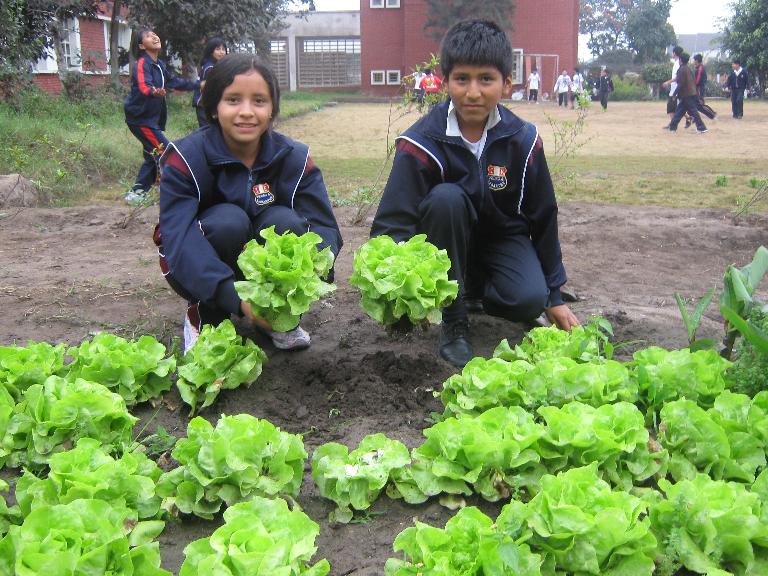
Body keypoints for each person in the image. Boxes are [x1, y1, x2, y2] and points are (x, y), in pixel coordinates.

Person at [370, 19, 579, 368]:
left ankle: (473, 289)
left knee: (529, 300)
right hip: (442, 242)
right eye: (462, 79)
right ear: (446, 81)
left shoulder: (524, 140)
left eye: (486, 79)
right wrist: (403, 296)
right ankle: (454, 321)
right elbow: (393, 223)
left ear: (506, 83)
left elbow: (543, 215)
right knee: (446, 199)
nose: (473, 92)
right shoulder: (420, 141)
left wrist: (553, 294)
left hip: (502, 238)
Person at [155, 53, 343, 353]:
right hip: (194, 265)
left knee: (287, 224)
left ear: (272, 110)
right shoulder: (185, 159)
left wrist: (312, 273)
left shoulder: (294, 158)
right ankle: (207, 316)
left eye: (259, 100)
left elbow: (323, 227)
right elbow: (178, 238)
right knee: (228, 222)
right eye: (233, 100)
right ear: (214, 108)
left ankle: (280, 318)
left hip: (266, 277)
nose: (246, 112)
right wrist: (234, 297)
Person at [123, 28, 199, 205]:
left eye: (155, 34)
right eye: (148, 36)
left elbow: (174, 82)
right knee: (164, 152)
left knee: (152, 156)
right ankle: (165, 191)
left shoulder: (159, 65)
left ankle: (136, 193)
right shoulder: (142, 63)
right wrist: (153, 91)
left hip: (151, 121)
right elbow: (143, 86)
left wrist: (198, 85)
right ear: (142, 46)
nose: (154, 36)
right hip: (140, 119)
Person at [663, 52, 707, 133]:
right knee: (679, 111)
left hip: (687, 94)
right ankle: (672, 128)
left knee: (693, 111)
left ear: (680, 60)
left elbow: (680, 84)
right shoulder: (688, 68)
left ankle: (702, 128)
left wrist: (674, 94)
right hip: (690, 93)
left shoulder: (681, 69)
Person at [193, 37, 227, 127]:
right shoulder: (210, 68)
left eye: (223, 49)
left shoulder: (213, 66)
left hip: (208, 105)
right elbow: (211, 88)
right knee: (208, 131)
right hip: (204, 105)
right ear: (211, 51)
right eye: (218, 49)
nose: (221, 52)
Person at [661, 46, 683, 124]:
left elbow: (677, 77)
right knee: (676, 107)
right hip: (674, 89)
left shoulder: (677, 64)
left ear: (674, 53)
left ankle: (673, 124)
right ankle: (674, 123)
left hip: (675, 89)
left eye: (672, 52)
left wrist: (667, 82)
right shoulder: (677, 63)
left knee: (671, 107)